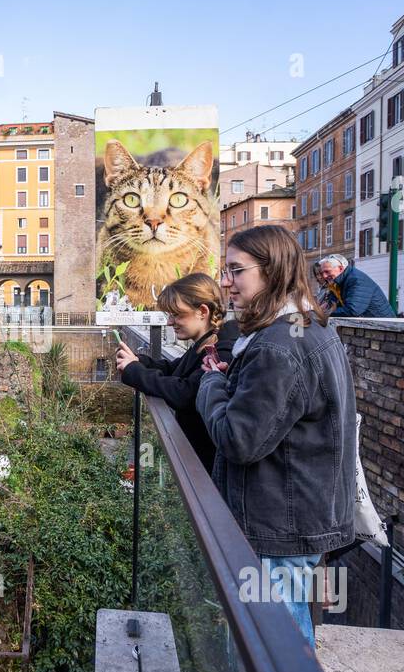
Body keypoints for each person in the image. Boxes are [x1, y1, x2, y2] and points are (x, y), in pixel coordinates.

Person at [197, 226, 356, 647]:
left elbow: (238, 439)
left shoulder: (277, 346)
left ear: (272, 272)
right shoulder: (308, 329)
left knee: (273, 648)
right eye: (224, 270)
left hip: (278, 523)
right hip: (300, 512)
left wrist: (211, 386)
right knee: (284, 631)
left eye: (236, 271)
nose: (225, 282)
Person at [114, 272, 239, 473]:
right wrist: (138, 361)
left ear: (202, 311)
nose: (170, 322)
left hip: (207, 469)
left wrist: (135, 371)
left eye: (177, 314)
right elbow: (174, 369)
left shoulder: (222, 350)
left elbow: (186, 394)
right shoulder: (204, 343)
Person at [316, 254, 395, 318]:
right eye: (322, 273)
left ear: (340, 268)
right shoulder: (339, 282)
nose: (324, 276)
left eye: (327, 271)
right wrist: (327, 306)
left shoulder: (356, 279)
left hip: (384, 329)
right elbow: (335, 303)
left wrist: (325, 312)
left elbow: (353, 310)